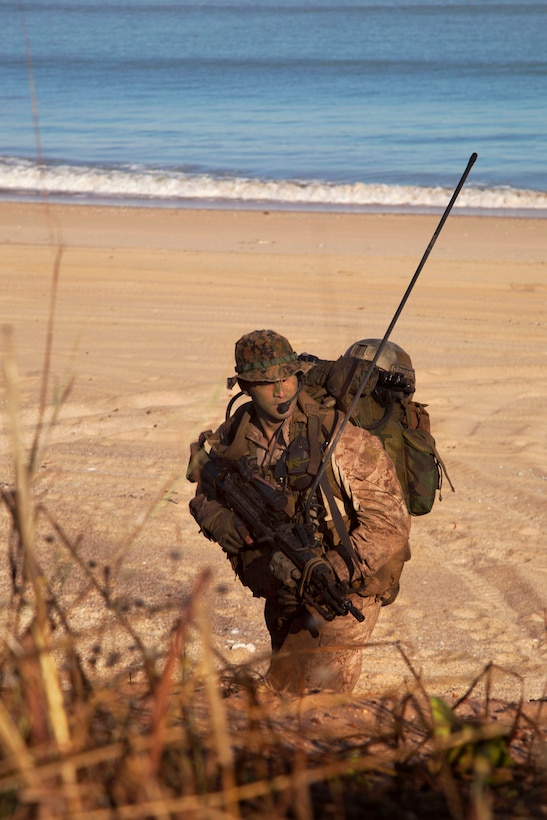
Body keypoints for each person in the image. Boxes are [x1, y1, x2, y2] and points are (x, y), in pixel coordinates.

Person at [187, 330, 411, 695]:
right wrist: (219, 521)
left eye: (287, 377)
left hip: (345, 590)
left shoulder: (337, 437)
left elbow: (390, 525)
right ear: (244, 385)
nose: (281, 391)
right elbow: (204, 491)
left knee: (315, 701)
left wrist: (328, 571)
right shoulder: (235, 436)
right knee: (283, 693)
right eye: (266, 382)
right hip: (283, 591)